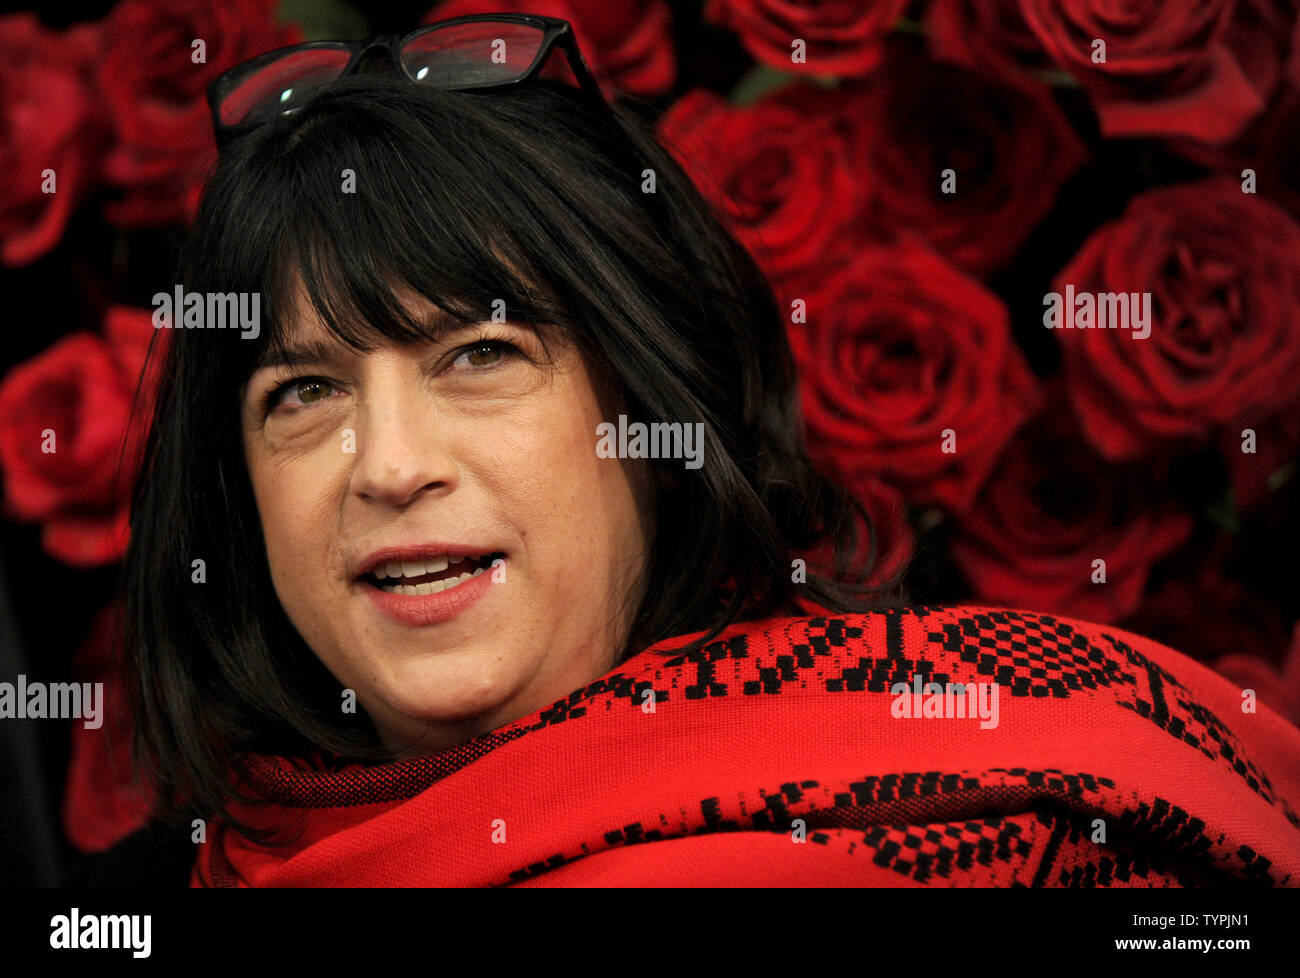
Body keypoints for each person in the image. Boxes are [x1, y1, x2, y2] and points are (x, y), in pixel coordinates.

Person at [78, 14, 1300, 887]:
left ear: (652, 403)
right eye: (302, 390)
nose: (389, 464)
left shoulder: (1026, 793)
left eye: (481, 355)